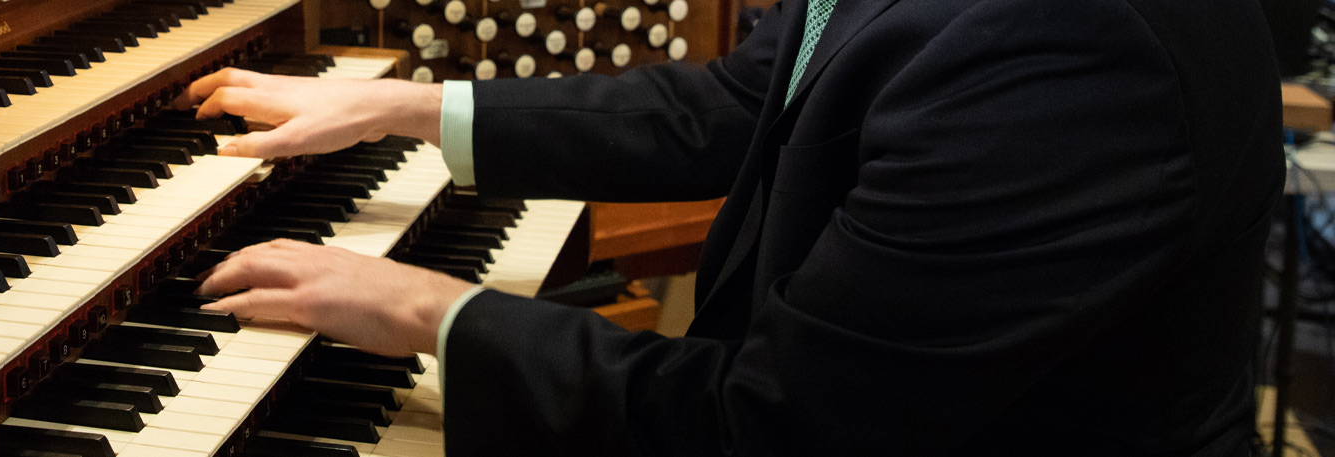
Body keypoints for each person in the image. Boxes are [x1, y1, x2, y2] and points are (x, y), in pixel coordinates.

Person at [181, 0, 1285, 454]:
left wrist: (437, 309)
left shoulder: (1061, 52)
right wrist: (410, 108)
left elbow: (780, 424)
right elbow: (744, 100)